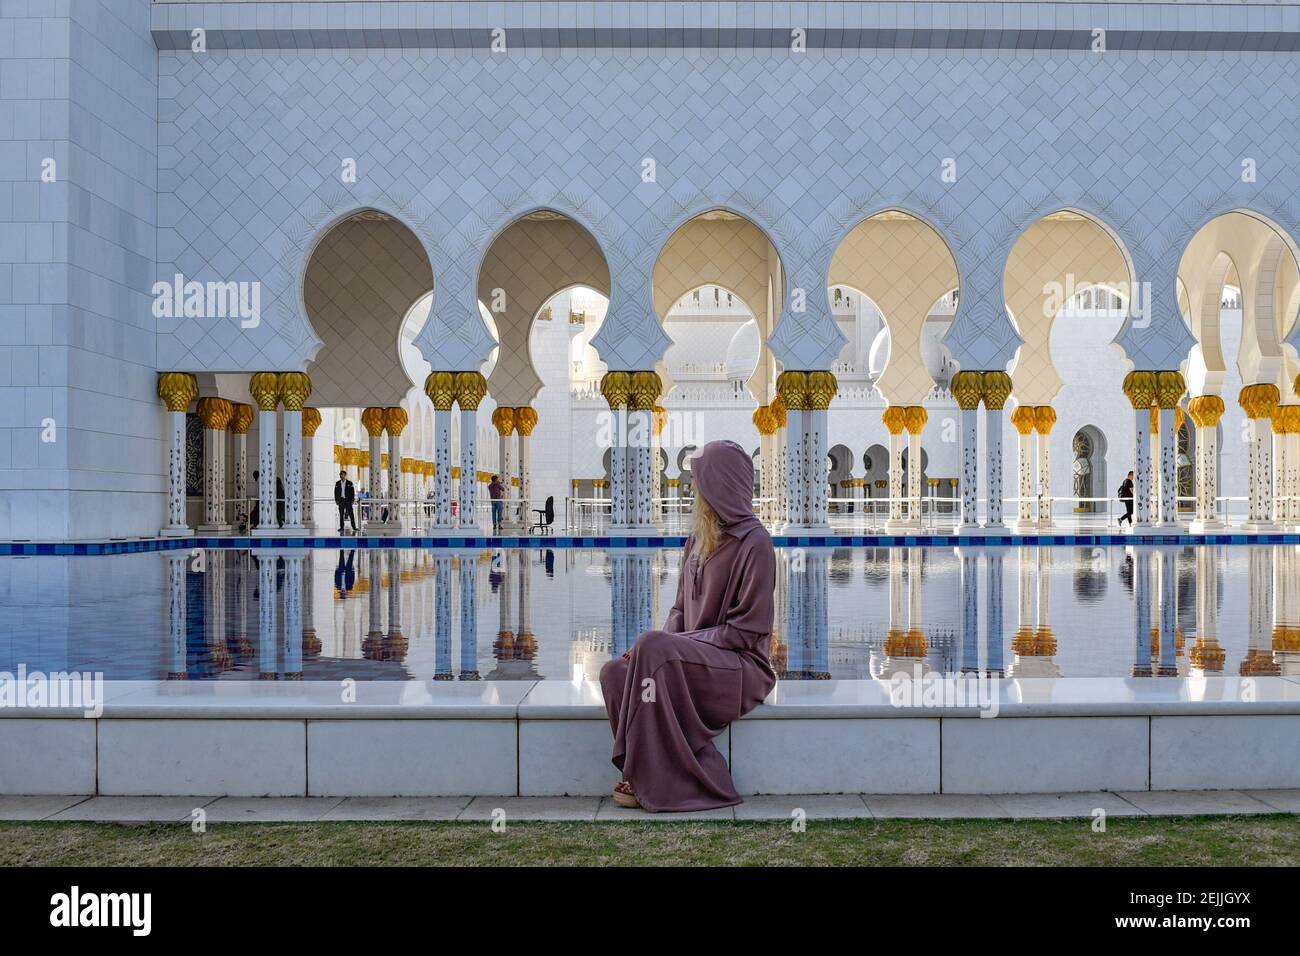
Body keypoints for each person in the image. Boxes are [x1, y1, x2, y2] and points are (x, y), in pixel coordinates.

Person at [599, 440, 776, 812]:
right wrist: (666, 647)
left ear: (720, 484)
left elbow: (745, 633)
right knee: (614, 672)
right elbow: (680, 608)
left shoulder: (755, 543)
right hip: (692, 662)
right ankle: (643, 771)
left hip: (740, 668)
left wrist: (665, 648)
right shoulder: (698, 538)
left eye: (701, 481)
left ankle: (663, 780)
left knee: (651, 646)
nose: (694, 489)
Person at [335, 470, 357, 534]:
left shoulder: (350, 483)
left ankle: (354, 527)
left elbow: (352, 492)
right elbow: (335, 492)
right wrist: (336, 500)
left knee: (351, 514)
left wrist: (352, 500)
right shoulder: (337, 483)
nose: (342, 476)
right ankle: (341, 527)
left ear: (345, 475)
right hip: (341, 500)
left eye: (343, 475)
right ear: (340, 476)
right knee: (341, 514)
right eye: (341, 475)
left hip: (348, 501)